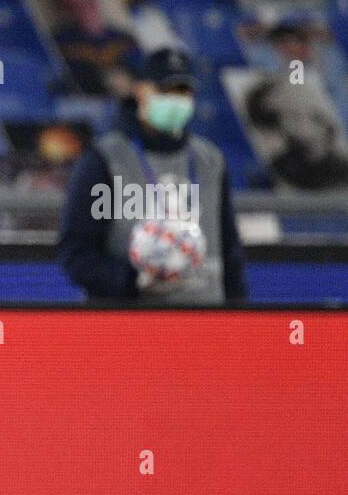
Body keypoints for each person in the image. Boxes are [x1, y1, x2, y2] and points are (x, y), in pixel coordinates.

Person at [58, 47, 248, 305]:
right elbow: (76, 254)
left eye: (183, 92)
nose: (175, 100)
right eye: (165, 91)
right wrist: (131, 282)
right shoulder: (104, 160)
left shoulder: (210, 160)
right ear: (140, 91)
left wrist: (238, 316)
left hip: (205, 321)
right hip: (132, 325)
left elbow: (230, 252)